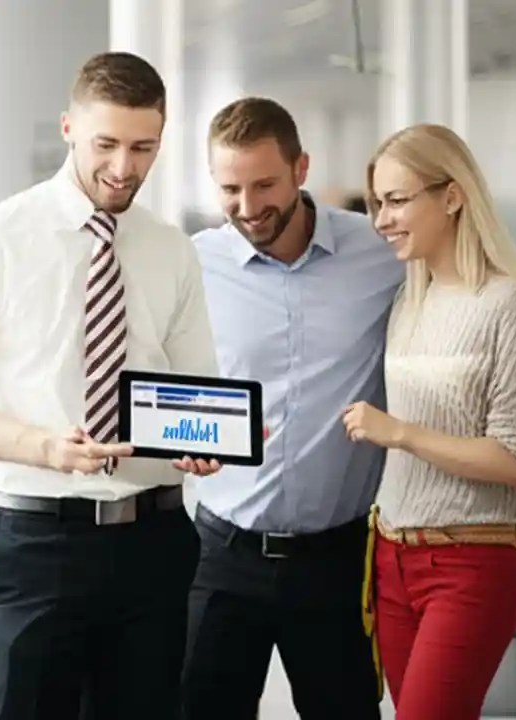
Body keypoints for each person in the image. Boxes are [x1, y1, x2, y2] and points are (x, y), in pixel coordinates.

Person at [0, 51, 220, 720]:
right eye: (106, 143)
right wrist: (42, 447)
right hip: (42, 542)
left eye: (143, 147)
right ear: (69, 127)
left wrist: (211, 440)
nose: (124, 167)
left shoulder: (171, 247)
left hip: (156, 542)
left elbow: (196, 388)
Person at [183, 97, 404, 719]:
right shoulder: (195, 262)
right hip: (222, 554)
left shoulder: (381, 253)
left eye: (265, 184)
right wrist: (180, 436)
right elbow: (163, 376)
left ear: (301, 168)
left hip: (338, 560)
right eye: (230, 188)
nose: (249, 207)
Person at [342, 123, 516, 720]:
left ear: (453, 196)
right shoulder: (409, 302)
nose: (381, 219)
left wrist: (400, 433)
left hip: (470, 565)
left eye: (397, 200)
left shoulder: (509, 304)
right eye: (375, 204)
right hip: (390, 559)